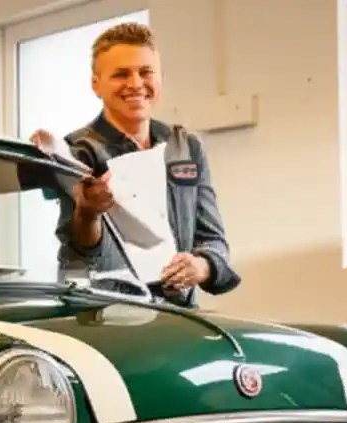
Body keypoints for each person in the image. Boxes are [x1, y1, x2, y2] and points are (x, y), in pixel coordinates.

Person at [47, 22, 240, 306]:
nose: (135, 84)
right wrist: (88, 213)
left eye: (145, 72)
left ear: (160, 78)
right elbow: (82, 248)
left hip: (180, 314)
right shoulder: (77, 151)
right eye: (120, 74)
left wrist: (201, 266)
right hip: (104, 316)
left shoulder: (185, 147)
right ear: (95, 84)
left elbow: (213, 240)